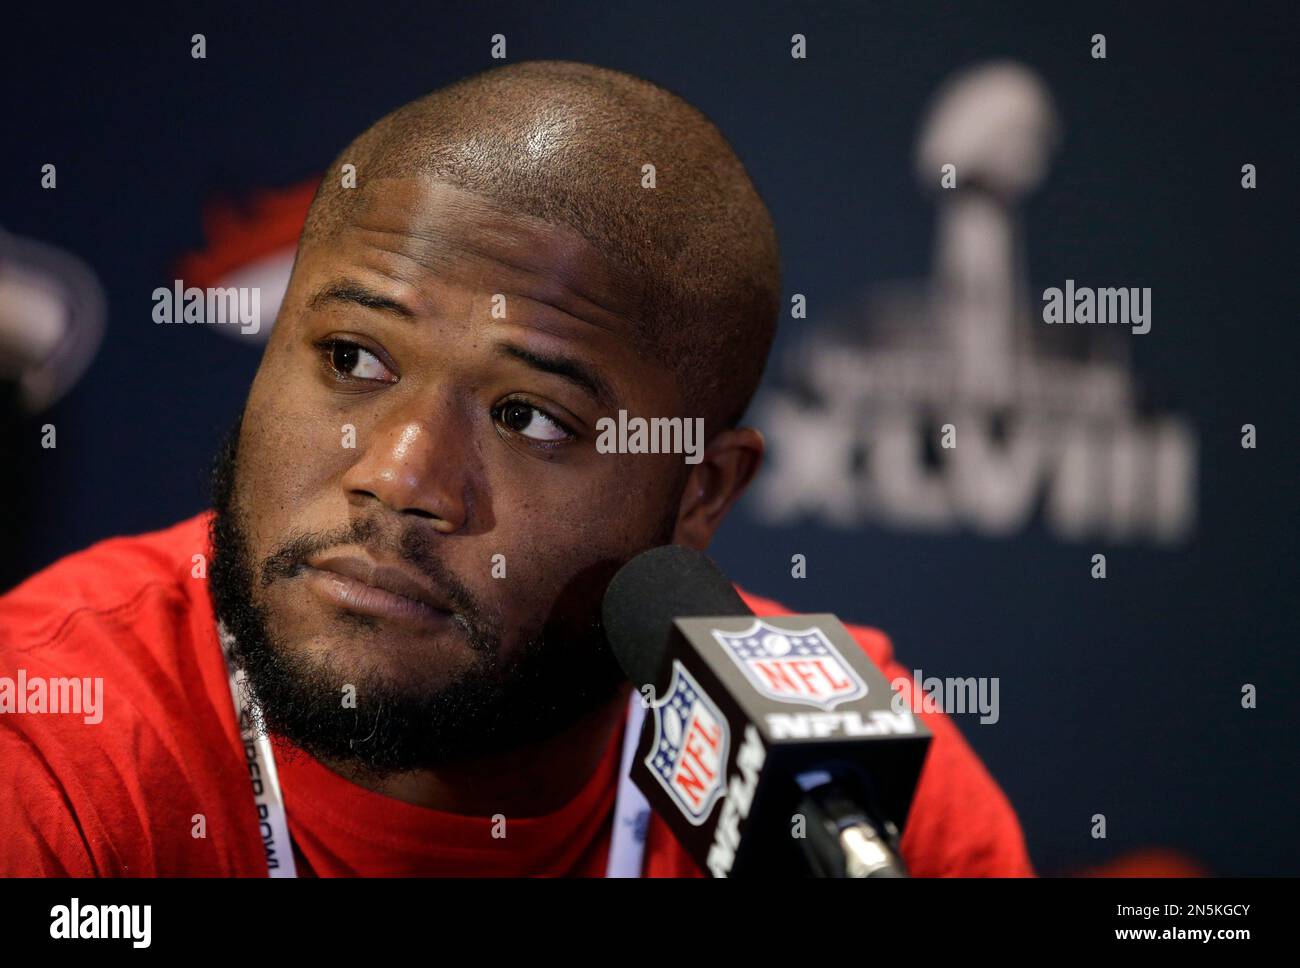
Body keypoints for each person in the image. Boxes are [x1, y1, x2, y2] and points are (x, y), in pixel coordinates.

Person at [0, 60, 1032, 877]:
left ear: (698, 494)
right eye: (353, 358)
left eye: (528, 416)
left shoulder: (831, 784)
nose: (401, 476)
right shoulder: (53, 740)